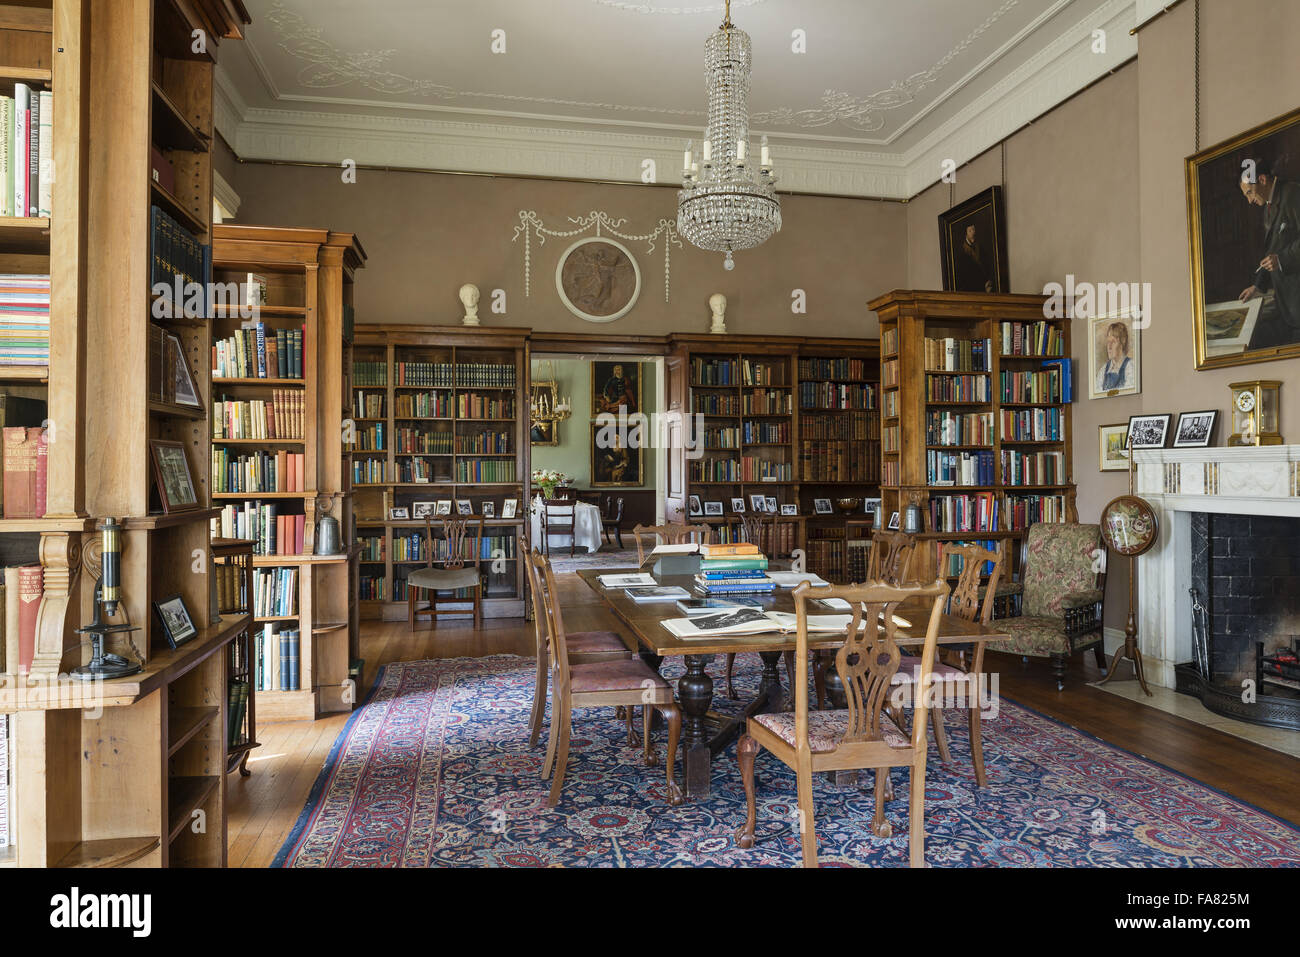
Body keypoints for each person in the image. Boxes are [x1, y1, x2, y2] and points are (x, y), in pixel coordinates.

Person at [1237, 158, 1300, 351]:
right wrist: (1257, 286)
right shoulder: (1268, 205)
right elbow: (1272, 250)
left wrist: (1282, 259)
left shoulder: (1292, 193)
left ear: (1262, 180)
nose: (1249, 200)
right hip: (1287, 301)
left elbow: (1278, 256)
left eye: (1249, 192)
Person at [1095, 321, 1135, 392]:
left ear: (1122, 343)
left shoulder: (1130, 367)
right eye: (1108, 342)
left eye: (1113, 342)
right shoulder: (1103, 371)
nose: (1109, 347)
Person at [954, 223, 994, 292]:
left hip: (984, 284)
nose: (973, 232)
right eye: (970, 230)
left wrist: (988, 280)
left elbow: (987, 264)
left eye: (973, 229)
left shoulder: (979, 246)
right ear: (966, 233)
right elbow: (964, 274)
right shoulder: (962, 250)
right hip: (971, 287)